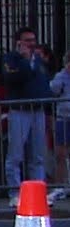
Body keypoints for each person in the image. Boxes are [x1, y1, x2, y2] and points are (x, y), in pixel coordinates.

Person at [2, 26, 50, 203]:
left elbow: (43, 82)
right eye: (27, 40)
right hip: (20, 110)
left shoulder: (38, 60)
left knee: (37, 155)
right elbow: (13, 78)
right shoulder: (11, 59)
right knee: (15, 154)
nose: (31, 44)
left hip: (37, 110)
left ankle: (38, 192)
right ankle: (15, 193)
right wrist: (24, 60)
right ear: (19, 42)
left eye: (33, 40)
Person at [51, 51, 70, 200]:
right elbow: (53, 90)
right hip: (63, 117)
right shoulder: (61, 76)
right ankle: (60, 187)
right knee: (60, 154)